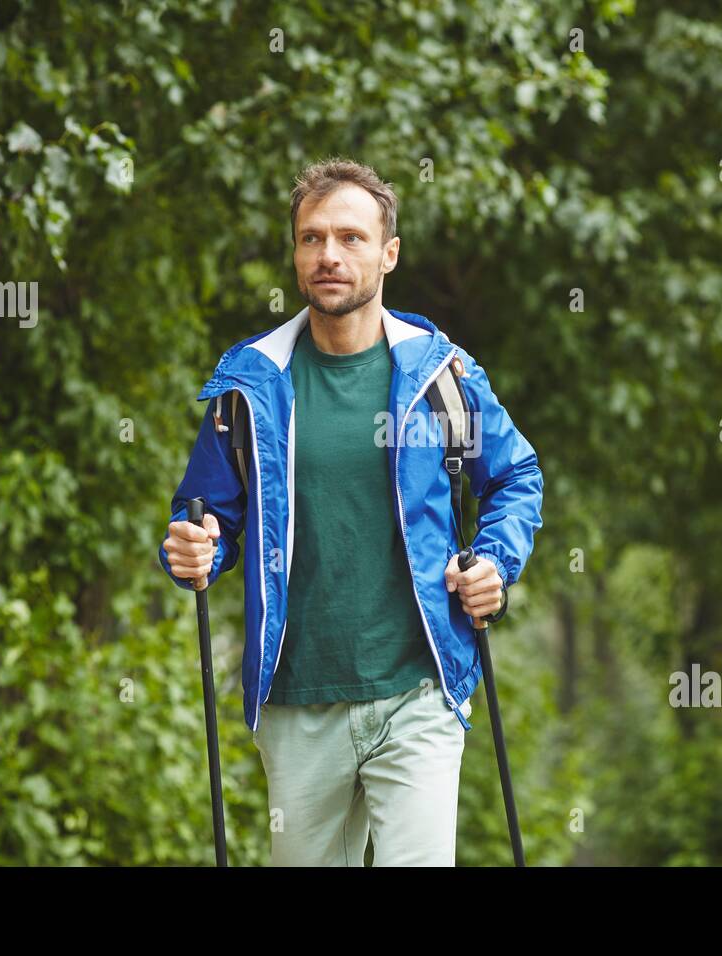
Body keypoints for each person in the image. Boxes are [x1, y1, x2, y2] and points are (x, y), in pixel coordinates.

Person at [159, 158, 543, 866]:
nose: (328, 255)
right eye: (311, 238)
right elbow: (205, 519)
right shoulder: (250, 386)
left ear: (388, 253)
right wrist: (193, 552)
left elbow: (516, 476)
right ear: (295, 252)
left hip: (419, 690)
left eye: (350, 238)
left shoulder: (441, 377)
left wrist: (493, 560)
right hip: (296, 699)